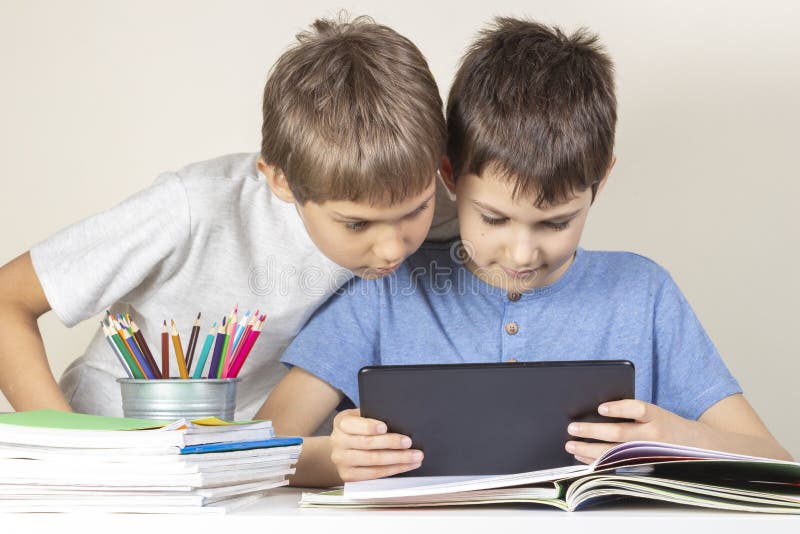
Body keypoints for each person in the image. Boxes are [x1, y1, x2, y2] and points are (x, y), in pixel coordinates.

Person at [258, 17, 792, 488]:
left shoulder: (643, 293)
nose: (522, 251)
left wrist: (671, 437)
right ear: (448, 174)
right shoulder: (384, 293)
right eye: (493, 218)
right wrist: (336, 458)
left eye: (556, 222)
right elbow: (257, 450)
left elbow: (776, 462)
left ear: (600, 182)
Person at [0, 15, 457, 419]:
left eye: (417, 209)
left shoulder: (450, 204)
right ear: (280, 181)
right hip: (112, 445)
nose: (394, 247)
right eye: (356, 224)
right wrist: (69, 444)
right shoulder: (194, 208)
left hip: (250, 467)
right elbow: (7, 300)